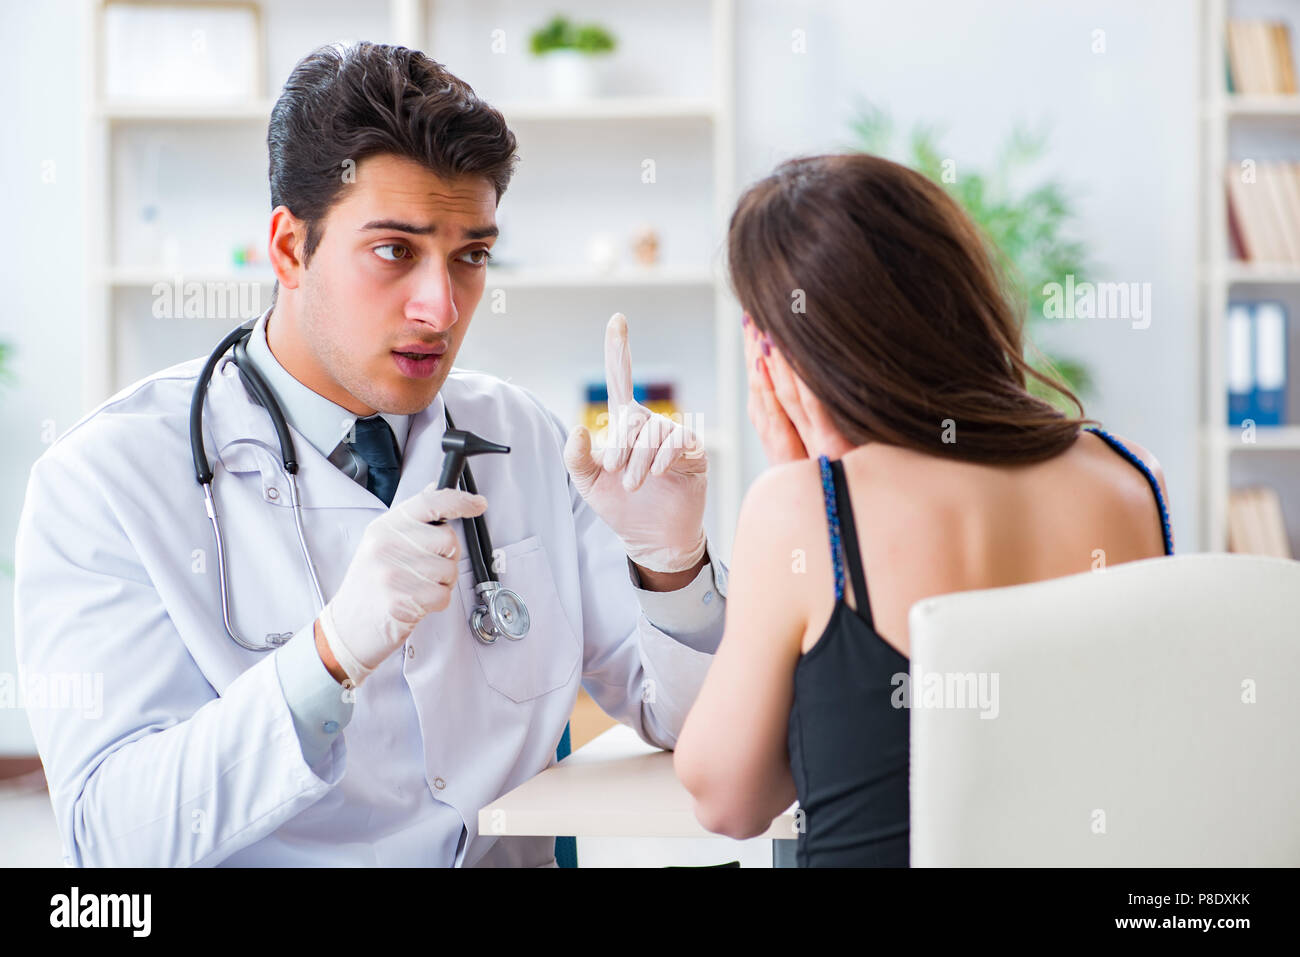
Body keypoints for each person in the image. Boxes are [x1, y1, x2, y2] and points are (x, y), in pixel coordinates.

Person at [13, 42, 728, 867]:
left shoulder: (523, 437)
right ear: (289, 249)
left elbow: (694, 730)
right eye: (395, 250)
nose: (442, 306)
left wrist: (671, 563)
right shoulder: (102, 482)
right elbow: (112, 838)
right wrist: (327, 656)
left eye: (471, 256)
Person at [672, 153, 1173, 867]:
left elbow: (729, 799)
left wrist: (809, 493)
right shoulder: (1132, 477)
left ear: (779, 353)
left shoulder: (800, 512)